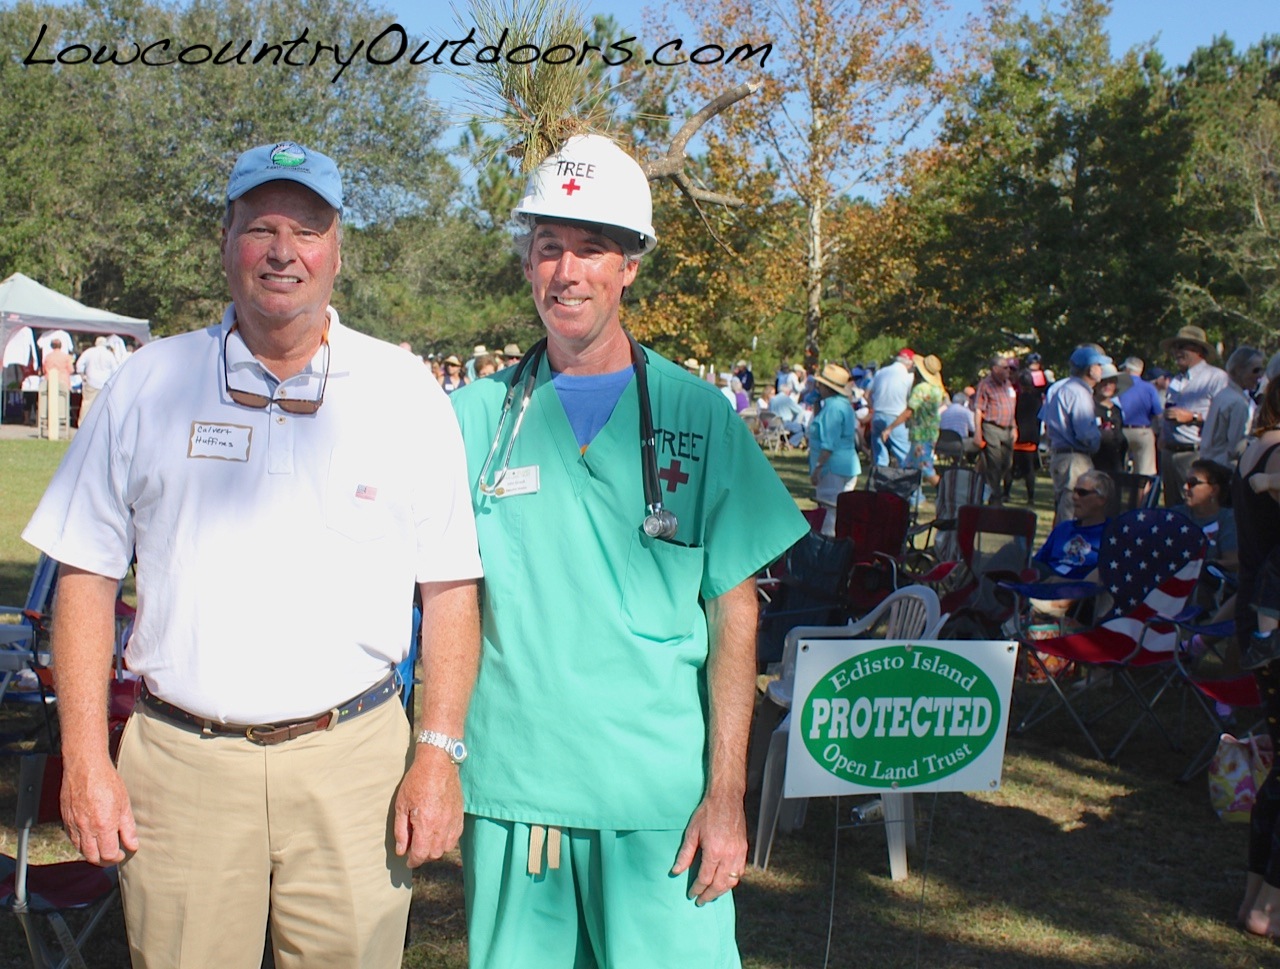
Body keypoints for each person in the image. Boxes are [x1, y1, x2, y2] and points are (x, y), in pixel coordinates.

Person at [22, 141, 483, 969]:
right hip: (181, 765)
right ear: (225, 240)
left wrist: (437, 753)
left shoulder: (404, 392)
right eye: (261, 228)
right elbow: (85, 580)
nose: (283, 251)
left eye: (306, 230)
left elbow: (451, 593)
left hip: (355, 766)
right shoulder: (149, 383)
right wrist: (86, 759)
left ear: (337, 249)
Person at [450, 133, 808, 969]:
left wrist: (727, 793)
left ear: (630, 266)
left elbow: (735, 614)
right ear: (527, 263)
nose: (566, 271)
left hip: (659, 801)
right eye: (549, 247)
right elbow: (444, 597)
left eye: (591, 249)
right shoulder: (472, 419)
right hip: (516, 792)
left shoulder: (700, 415)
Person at [1232, 375, 1280, 938]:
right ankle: (1268, 908)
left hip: (1260, 615)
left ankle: (1255, 900)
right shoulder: (1275, 452)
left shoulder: (1257, 446)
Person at [1160, 324, 1228, 507]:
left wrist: (1193, 417)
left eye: (1182, 346)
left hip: (1194, 455)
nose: (1177, 352)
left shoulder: (1216, 378)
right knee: (1173, 510)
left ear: (1198, 350)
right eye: (1175, 347)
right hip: (1170, 454)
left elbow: (1223, 417)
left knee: (1197, 508)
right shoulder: (1176, 380)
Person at [1042, 345, 1106, 525]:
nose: (1101, 370)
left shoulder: (1063, 388)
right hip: (1074, 458)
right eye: (1099, 366)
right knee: (1072, 510)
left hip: (1061, 454)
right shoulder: (1079, 393)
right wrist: (1097, 440)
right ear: (1090, 369)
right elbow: (1085, 433)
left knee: (1064, 507)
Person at [808, 363, 862, 536]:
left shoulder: (832, 408)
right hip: (848, 464)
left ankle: (828, 546)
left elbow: (829, 444)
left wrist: (818, 468)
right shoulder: (843, 405)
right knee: (842, 512)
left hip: (832, 467)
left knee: (828, 514)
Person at [1032, 469, 1114, 580]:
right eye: (1074, 491)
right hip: (1047, 581)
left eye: (1082, 493)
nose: (1074, 497)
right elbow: (1037, 562)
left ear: (1101, 500)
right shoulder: (1063, 528)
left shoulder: (1112, 534)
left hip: (1080, 586)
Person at [887, 353, 946, 488]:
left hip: (921, 434)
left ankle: (946, 491)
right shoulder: (937, 390)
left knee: (926, 469)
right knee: (908, 466)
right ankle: (904, 494)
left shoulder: (920, 389)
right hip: (931, 433)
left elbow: (909, 411)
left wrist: (890, 428)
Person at [1201, 346, 1263, 466]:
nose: (1259, 376)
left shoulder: (1222, 395)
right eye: (1255, 370)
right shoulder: (1238, 403)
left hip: (1208, 462)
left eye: (1261, 370)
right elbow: (1236, 448)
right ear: (1239, 370)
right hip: (1223, 467)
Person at [1171, 458, 1237, 569]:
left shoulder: (1228, 519)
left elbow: (1233, 562)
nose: (1185, 487)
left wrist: (1199, 567)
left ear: (1213, 490)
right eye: (1186, 482)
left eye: (1192, 483)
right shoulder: (1176, 515)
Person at [973, 356, 1018, 504]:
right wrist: (978, 433)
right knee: (994, 463)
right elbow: (978, 410)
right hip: (991, 427)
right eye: (1005, 368)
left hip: (1007, 429)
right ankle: (995, 498)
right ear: (995, 369)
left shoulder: (1008, 384)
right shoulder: (985, 385)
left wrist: (1014, 427)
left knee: (1007, 463)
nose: (1008, 370)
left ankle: (988, 491)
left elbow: (1012, 408)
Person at [867, 348, 915, 467]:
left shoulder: (880, 372)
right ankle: (908, 478)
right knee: (904, 456)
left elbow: (867, 394)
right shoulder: (909, 377)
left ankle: (879, 477)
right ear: (909, 363)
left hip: (878, 414)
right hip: (896, 416)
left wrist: (873, 408)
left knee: (880, 457)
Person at [1009, 355, 1046, 502]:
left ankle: (1006, 493)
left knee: (1012, 466)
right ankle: (1031, 496)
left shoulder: (1016, 399)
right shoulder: (1037, 400)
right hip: (1031, 435)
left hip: (1017, 435)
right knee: (1029, 468)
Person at [1092, 363, 1127, 475]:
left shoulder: (1117, 410)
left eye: (1111, 381)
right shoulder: (1089, 406)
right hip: (1093, 464)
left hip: (1115, 463)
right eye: (1103, 381)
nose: (1107, 385)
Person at [75, 335, 121, 419]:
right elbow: (115, 370)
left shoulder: (89, 352)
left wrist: (83, 376)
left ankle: (83, 424)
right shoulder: (109, 354)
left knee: (87, 405)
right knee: (103, 407)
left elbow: (79, 365)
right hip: (105, 384)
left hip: (91, 382)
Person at [763, 383, 806, 448]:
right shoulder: (787, 399)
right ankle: (790, 444)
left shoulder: (772, 400)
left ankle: (787, 442)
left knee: (795, 428)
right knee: (802, 428)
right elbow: (800, 410)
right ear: (787, 392)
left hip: (772, 424)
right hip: (784, 423)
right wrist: (796, 421)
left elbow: (769, 411)